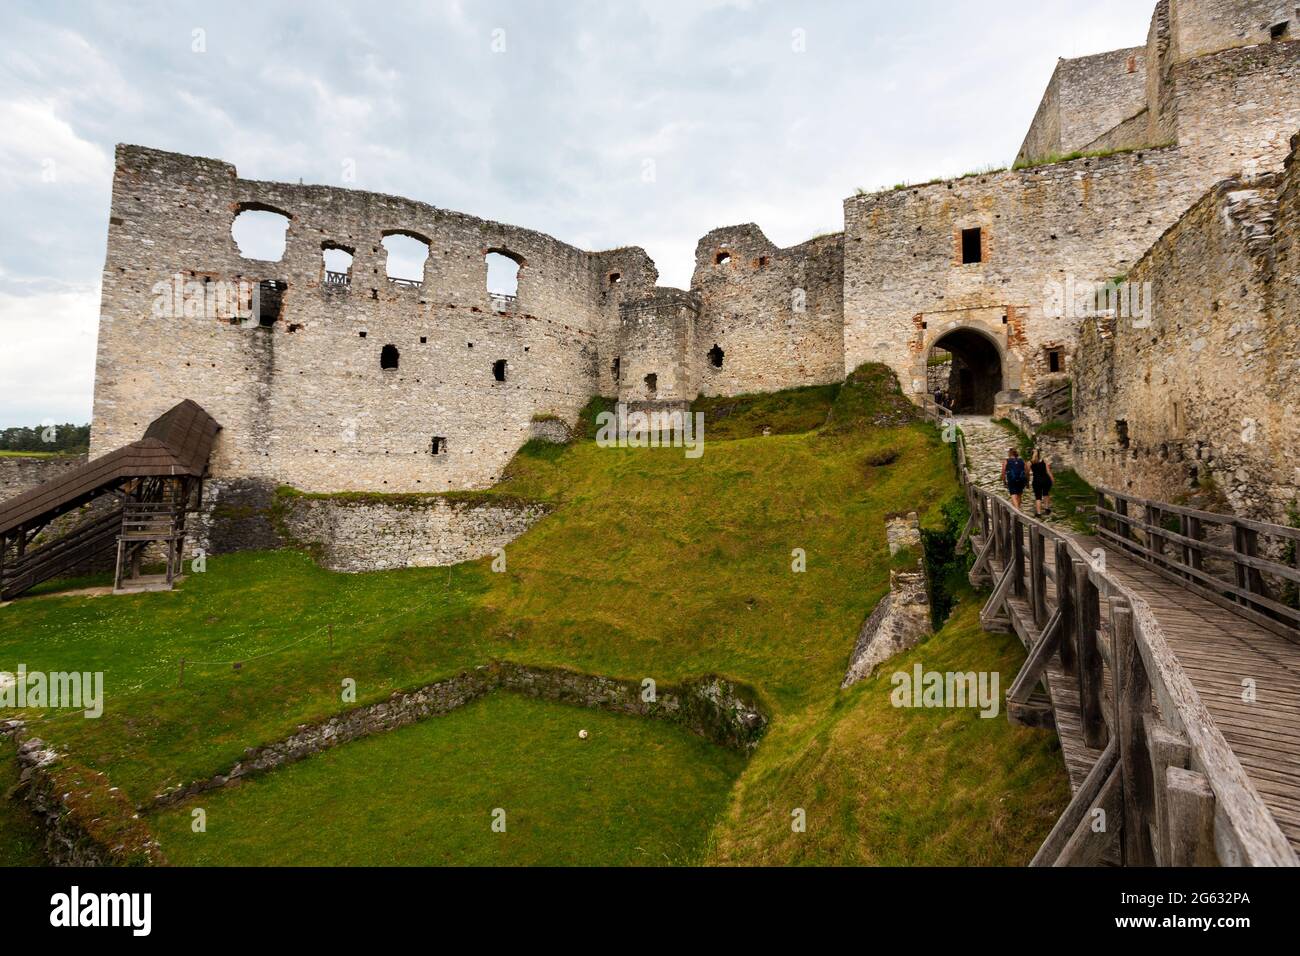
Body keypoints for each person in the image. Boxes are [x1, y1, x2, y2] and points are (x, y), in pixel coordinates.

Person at [1030, 448, 1055, 516]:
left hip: (1037, 481)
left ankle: (1039, 512)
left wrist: (1027, 481)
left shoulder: (1030, 462)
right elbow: (1048, 471)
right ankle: (1046, 508)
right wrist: (1052, 479)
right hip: (1046, 480)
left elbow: (1026, 472)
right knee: (1046, 494)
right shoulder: (1044, 461)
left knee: (1038, 497)